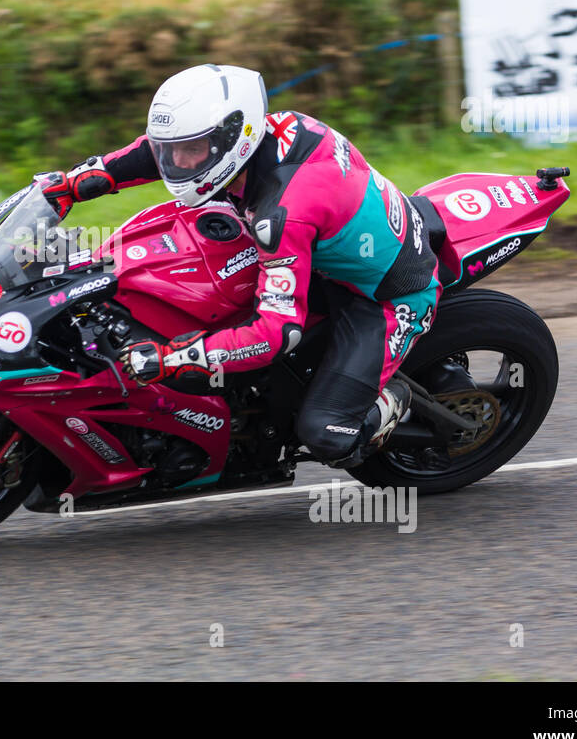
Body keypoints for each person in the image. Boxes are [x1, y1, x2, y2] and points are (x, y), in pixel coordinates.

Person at [36, 64, 441, 469]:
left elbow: (277, 333)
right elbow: (150, 153)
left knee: (329, 435)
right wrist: (75, 182)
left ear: (236, 137)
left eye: (191, 149)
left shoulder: (282, 212)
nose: (176, 161)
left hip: (386, 294)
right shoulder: (262, 135)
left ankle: (390, 398)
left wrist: (173, 358)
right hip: (324, 253)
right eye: (171, 148)